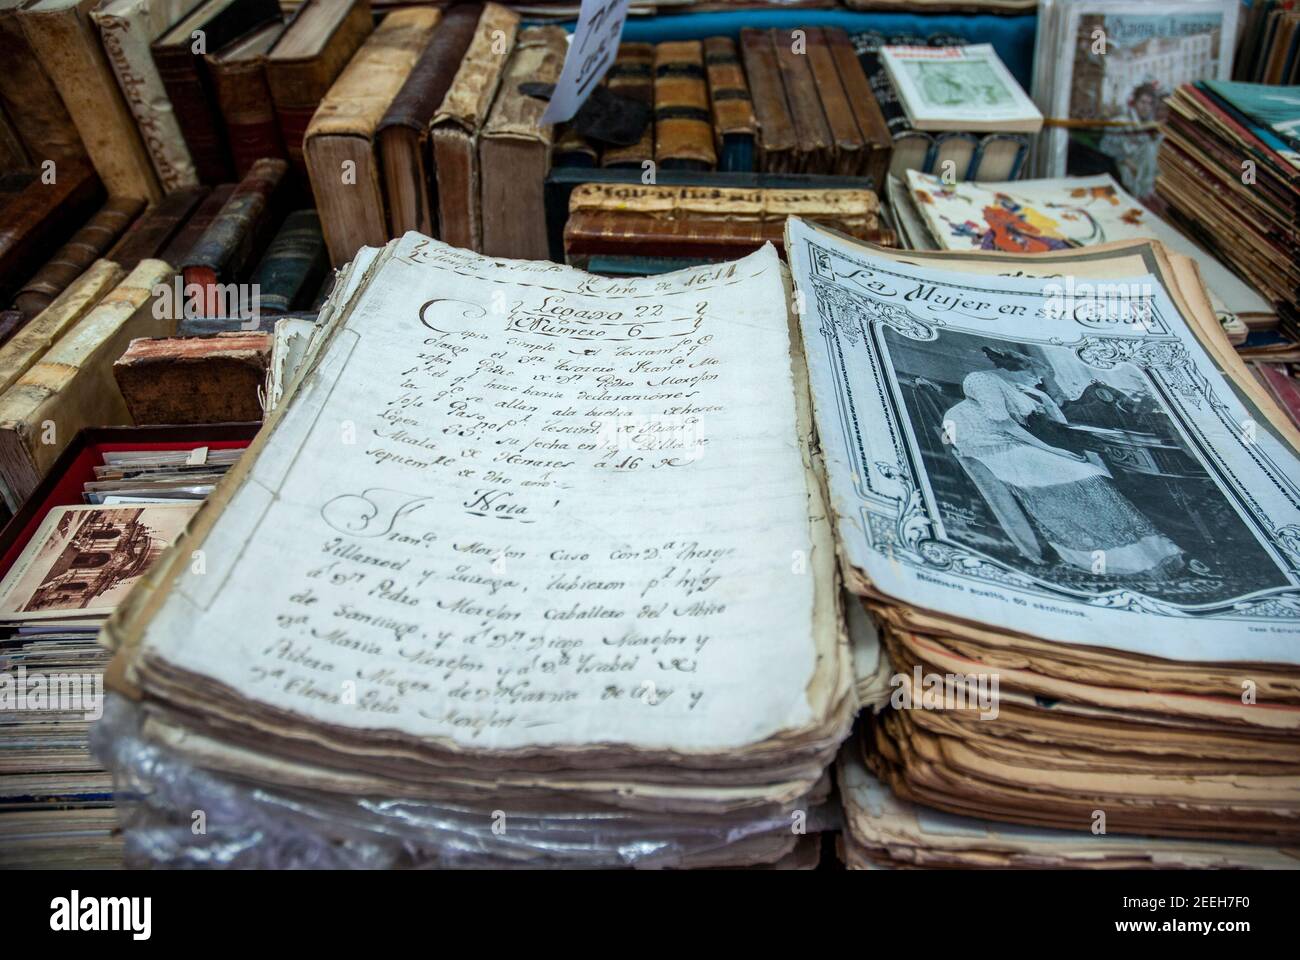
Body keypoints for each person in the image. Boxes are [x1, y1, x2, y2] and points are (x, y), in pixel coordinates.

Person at [944, 370, 1184, 575]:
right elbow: (1011, 430)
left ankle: (1136, 548)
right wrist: (1057, 453)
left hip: (1006, 456)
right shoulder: (983, 392)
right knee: (1084, 474)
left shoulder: (972, 397)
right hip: (1002, 457)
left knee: (1083, 474)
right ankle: (1119, 554)